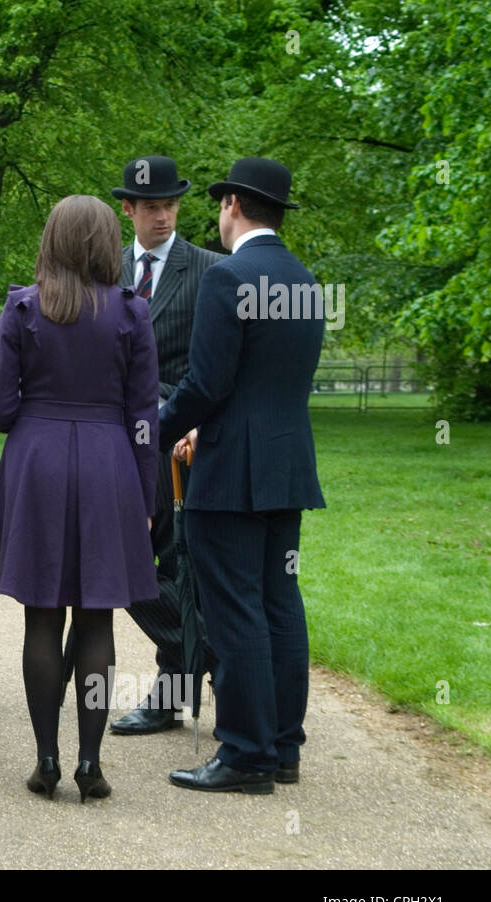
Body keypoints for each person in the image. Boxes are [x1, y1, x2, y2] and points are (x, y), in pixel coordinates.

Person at [0, 195, 159, 801]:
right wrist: (148, 495)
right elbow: (143, 417)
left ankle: (46, 760)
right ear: (108, 242)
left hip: (38, 467)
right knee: (98, 617)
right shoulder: (134, 312)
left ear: (50, 241)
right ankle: (91, 764)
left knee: (41, 616)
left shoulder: (24, 308)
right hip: (110, 465)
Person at [160, 158, 325, 794]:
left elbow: (206, 383)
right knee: (279, 602)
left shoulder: (227, 278)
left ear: (231, 204)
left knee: (234, 612)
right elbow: (268, 382)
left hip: (230, 473)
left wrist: (159, 426)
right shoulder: (305, 282)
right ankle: (283, 746)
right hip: (285, 465)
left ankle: (246, 754)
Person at [108, 156, 225, 736]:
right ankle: (202, 648)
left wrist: (199, 423)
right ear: (127, 209)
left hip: (176, 443)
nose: (162, 215)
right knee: (115, 551)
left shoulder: (209, 270)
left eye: (171, 205)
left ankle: (168, 693)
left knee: (177, 560)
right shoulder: (104, 270)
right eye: (151, 206)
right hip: (112, 441)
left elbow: (217, 364)